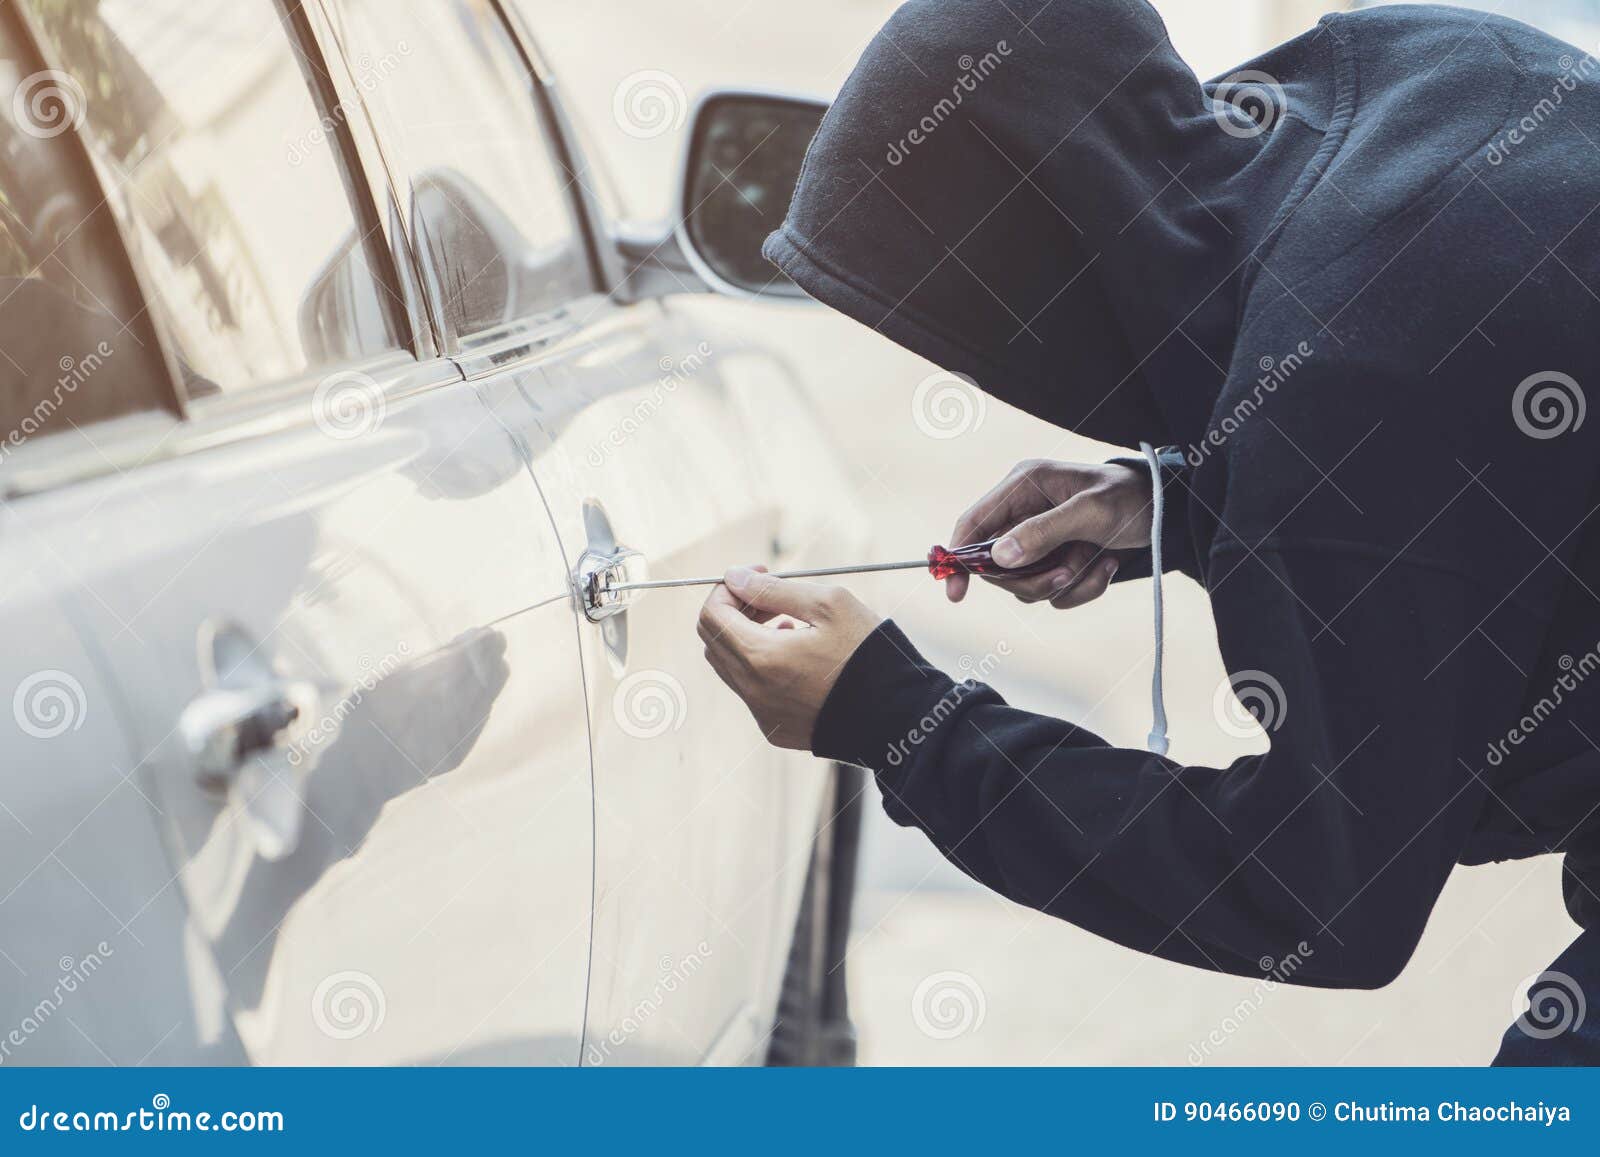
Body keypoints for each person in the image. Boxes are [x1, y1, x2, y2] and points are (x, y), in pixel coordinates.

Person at [697, 0, 1600, 1063]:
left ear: (1048, 269)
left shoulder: (1337, 399)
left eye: (969, 332)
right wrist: (1181, 497)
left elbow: (1320, 893)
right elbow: (1485, 449)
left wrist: (896, 719)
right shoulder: (1436, 60)